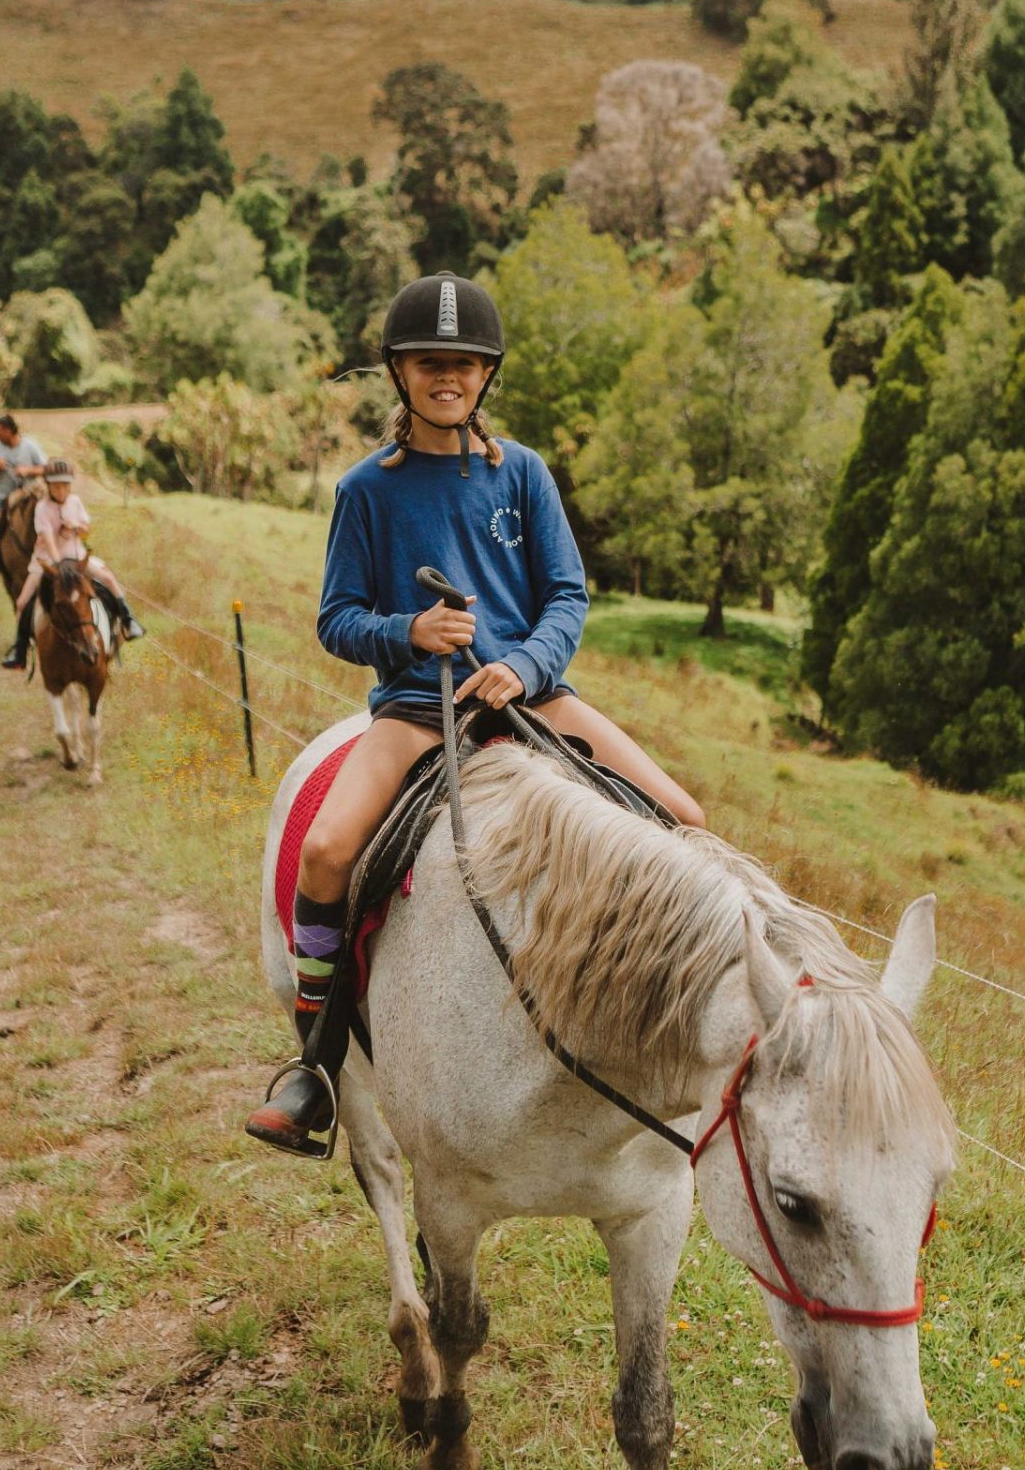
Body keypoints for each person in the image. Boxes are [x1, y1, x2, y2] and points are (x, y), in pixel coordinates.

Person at [246, 270, 704, 1154]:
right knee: (329, 849)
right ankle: (316, 1061)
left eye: (462, 363)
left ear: (487, 373)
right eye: (428, 363)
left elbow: (566, 596)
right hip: (418, 709)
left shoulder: (522, 474)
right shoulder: (365, 491)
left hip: (534, 700)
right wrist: (409, 631)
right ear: (399, 372)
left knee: (685, 819)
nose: (446, 377)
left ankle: (682, 1041)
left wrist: (523, 666)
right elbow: (336, 620)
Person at [1, 458, 144, 669]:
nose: (62, 490)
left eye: (65, 485)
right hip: (49, 562)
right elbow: (48, 539)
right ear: (48, 486)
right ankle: (20, 649)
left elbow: (86, 529)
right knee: (23, 602)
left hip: (76, 557)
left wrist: (74, 526)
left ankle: (128, 620)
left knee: (107, 578)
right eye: (57, 486)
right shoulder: (42, 508)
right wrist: (58, 565)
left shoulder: (75, 502)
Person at [0, 414, 47, 584]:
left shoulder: (30, 445)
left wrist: (27, 470)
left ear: (9, 430)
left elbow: (45, 468)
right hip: (4, 496)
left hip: (29, 493)